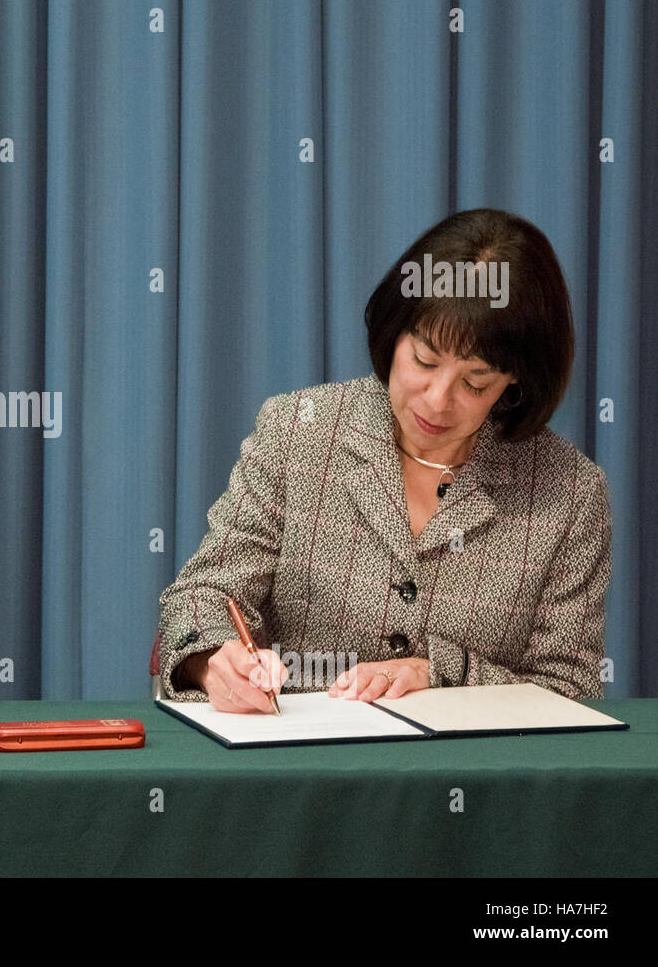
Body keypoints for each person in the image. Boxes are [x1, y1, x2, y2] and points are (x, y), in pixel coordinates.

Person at [157, 208, 610, 712]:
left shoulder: (568, 492)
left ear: (515, 384)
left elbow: (570, 691)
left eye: (475, 382)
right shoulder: (297, 432)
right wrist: (212, 660)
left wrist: (440, 673)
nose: (437, 400)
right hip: (302, 770)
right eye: (424, 360)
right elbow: (199, 597)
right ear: (394, 333)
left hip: (474, 780)